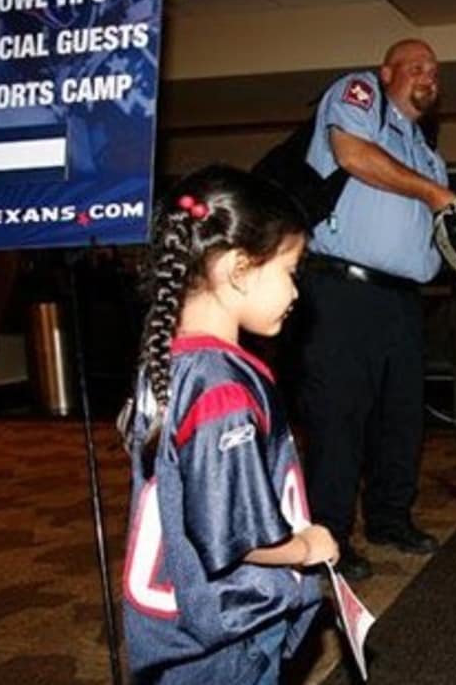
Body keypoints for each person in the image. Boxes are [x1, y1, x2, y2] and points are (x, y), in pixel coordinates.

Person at [118, 165, 337, 683]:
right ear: (239, 269)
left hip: (184, 619)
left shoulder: (171, 360)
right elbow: (237, 536)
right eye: (290, 271)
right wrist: (309, 547)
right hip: (227, 627)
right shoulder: (221, 388)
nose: (296, 292)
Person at [295, 39, 456, 582]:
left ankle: (390, 519)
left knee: (401, 418)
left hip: (403, 300)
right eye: (417, 66)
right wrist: (433, 194)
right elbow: (352, 156)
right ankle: (328, 538)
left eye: (434, 72)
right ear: (387, 73)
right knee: (339, 417)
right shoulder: (359, 95)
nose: (428, 76)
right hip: (344, 292)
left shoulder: (428, 152)